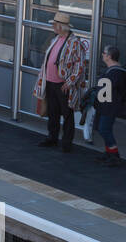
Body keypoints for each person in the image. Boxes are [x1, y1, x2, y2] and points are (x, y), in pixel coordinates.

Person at [33, 11, 90, 152]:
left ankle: (66, 143)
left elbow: (80, 64)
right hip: (51, 82)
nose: (53, 27)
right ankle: (52, 138)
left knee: (67, 115)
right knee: (53, 112)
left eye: (55, 25)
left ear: (61, 26)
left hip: (63, 85)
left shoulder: (75, 42)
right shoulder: (56, 39)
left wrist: (70, 82)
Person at [94, 46, 126, 166]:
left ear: (109, 56)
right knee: (104, 129)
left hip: (109, 106)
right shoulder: (115, 70)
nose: (102, 55)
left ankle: (114, 154)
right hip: (107, 105)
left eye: (104, 53)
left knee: (104, 129)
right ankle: (109, 152)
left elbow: (107, 90)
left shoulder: (115, 72)